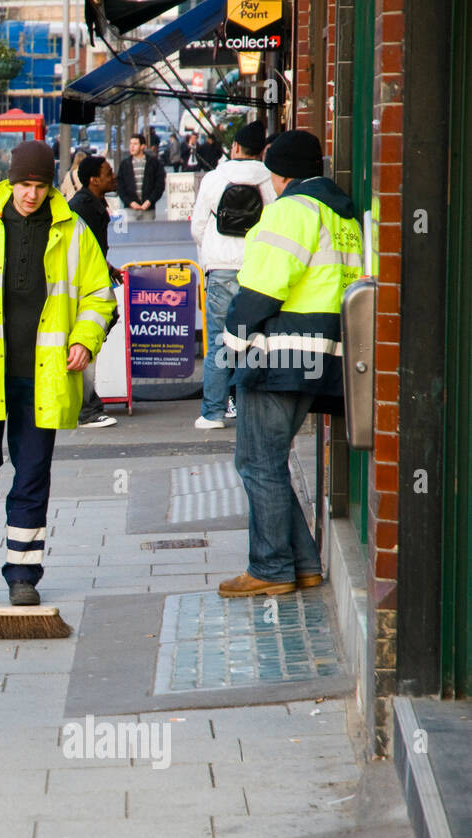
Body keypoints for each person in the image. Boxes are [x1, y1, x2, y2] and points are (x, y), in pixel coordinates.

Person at [0, 141, 114, 606]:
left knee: (32, 473)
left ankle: (23, 574)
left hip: (44, 377)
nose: (31, 194)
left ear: (50, 185)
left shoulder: (72, 231)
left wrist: (84, 340)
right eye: (24, 185)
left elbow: (99, 295)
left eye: (39, 185)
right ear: (11, 181)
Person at [218, 129, 362, 599]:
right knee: (270, 464)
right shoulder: (342, 214)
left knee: (257, 463)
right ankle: (302, 565)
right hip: (323, 355)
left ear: (279, 175)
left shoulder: (289, 211)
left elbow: (261, 290)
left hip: (280, 354)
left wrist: (231, 344)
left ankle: (271, 568)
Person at [190, 120, 275, 430]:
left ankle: (213, 412)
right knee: (253, 340)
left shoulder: (214, 179)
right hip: (257, 270)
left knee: (218, 342)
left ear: (236, 147)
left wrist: (211, 255)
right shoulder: (270, 179)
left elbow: (197, 227)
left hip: (221, 270)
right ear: (262, 150)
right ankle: (247, 408)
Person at [66, 154, 121, 429]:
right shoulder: (80, 207)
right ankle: (85, 407)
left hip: (94, 280)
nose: (113, 177)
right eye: (108, 173)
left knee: (93, 336)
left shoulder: (95, 202)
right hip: (84, 288)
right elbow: (80, 250)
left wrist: (108, 268)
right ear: (93, 179)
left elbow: (93, 248)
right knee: (87, 339)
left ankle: (86, 402)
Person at [115, 133, 164, 220]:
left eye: (135, 144)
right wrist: (130, 202)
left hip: (148, 209)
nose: (132, 146)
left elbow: (159, 185)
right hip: (130, 209)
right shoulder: (125, 164)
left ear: (142, 146)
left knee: (148, 233)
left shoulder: (153, 163)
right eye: (130, 144)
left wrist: (150, 201)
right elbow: (120, 186)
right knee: (131, 233)